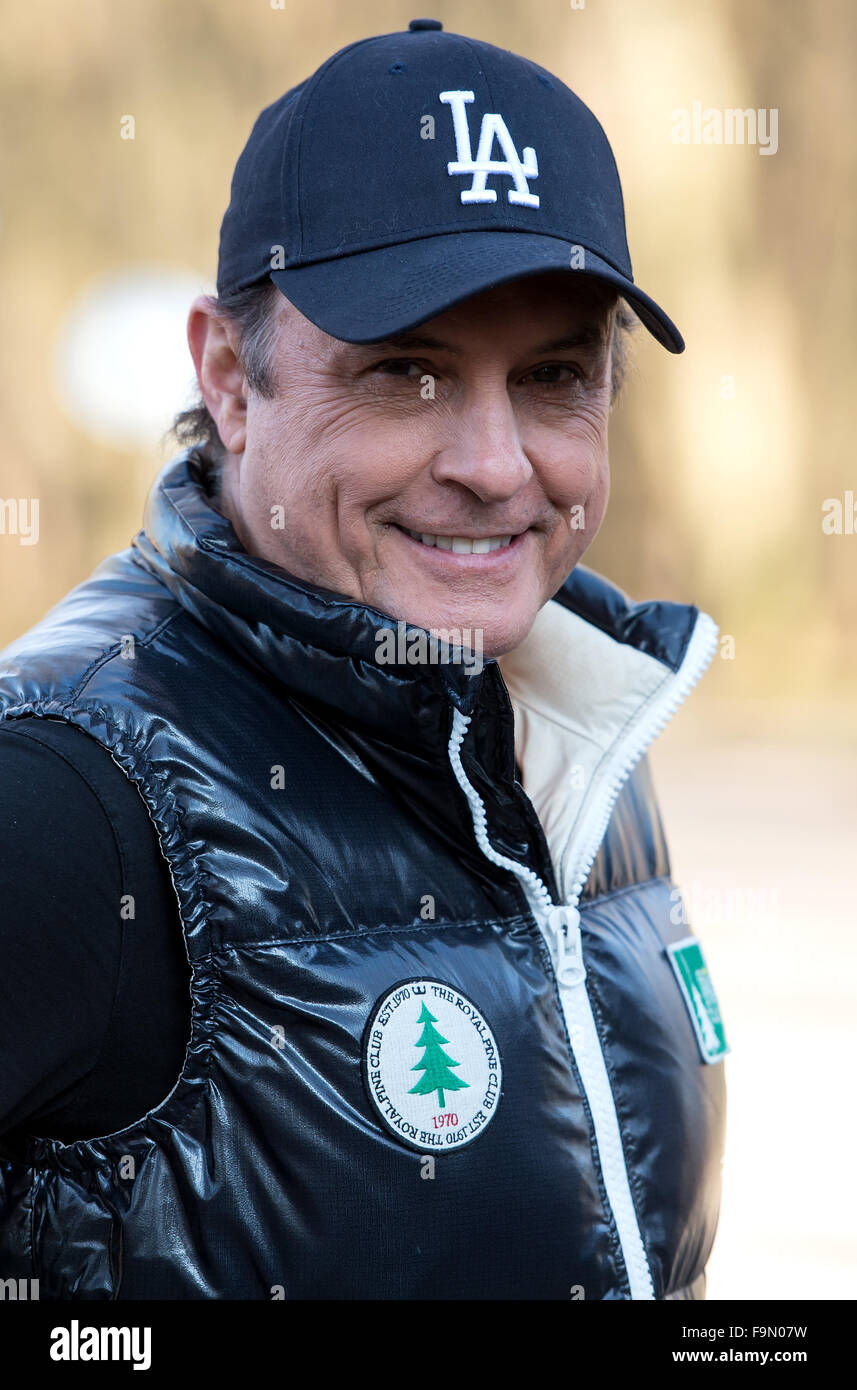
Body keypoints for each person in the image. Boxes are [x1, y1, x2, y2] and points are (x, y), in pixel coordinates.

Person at [0, 18, 728, 1300]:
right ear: (230, 378)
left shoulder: (577, 725)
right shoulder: (59, 795)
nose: (495, 466)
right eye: (406, 372)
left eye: (553, 375)